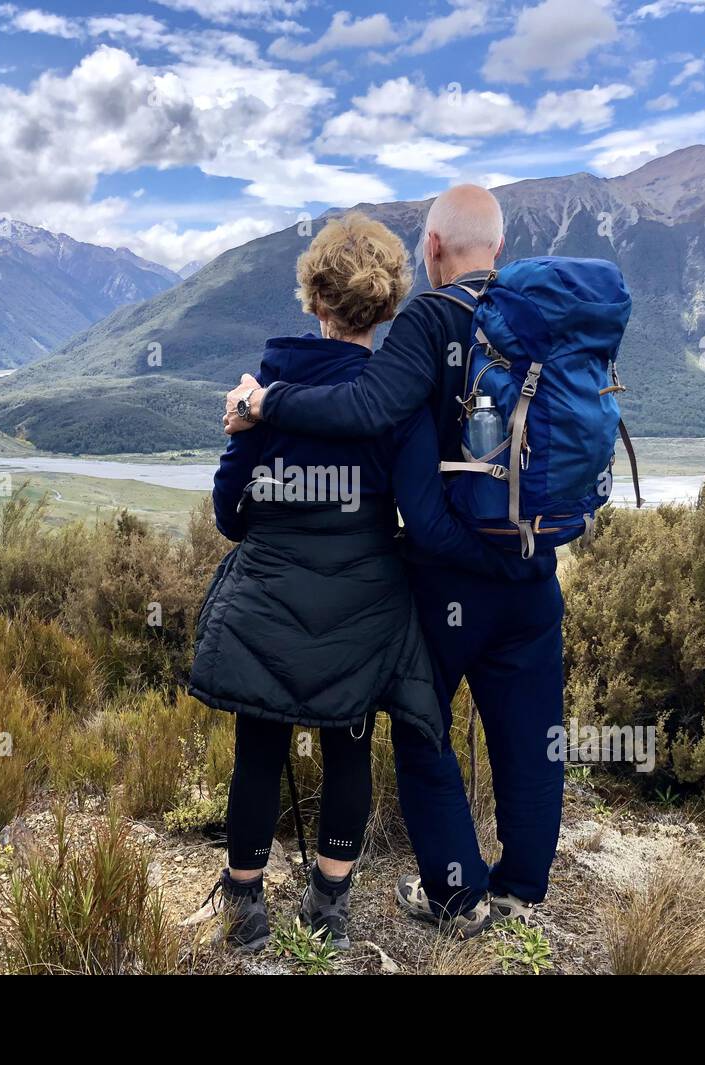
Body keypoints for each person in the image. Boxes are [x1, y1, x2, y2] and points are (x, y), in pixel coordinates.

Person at [223, 185, 566, 933]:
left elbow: (367, 418)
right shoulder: (539, 319)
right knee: (533, 737)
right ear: (499, 250)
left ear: (434, 248)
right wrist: (519, 556)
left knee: (420, 730)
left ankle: (453, 894)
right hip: (532, 570)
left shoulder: (427, 325)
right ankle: (515, 889)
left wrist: (263, 407)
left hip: (448, 584)